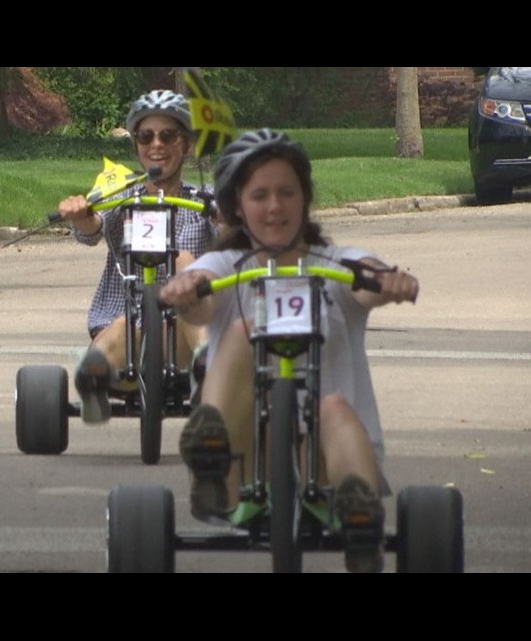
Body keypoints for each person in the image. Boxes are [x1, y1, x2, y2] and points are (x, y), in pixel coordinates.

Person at [159, 128, 420, 573]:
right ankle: (210, 447)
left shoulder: (335, 264)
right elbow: (199, 297)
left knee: (334, 405)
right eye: (260, 195)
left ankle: (358, 515)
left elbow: (368, 276)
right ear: (237, 207)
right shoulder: (224, 268)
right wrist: (185, 290)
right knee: (243, 329)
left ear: (305, 199)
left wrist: (390, 280)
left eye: (287, 192)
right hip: (243, 464)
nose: (275, 206)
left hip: (330, 464)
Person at [55, 89, 217, 423]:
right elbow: (93, 228)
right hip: (129, 345)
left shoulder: (205, 200)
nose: (156, 145)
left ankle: (207, 366)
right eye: (146, 136)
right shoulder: (121, 197)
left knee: (183, 260)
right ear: (136, 146)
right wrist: (80, 213)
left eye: (168, 135)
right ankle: (92, 378)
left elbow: (234, 233)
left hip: (185, 339)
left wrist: (226, 216)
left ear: (186, 144)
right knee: (119, 326)